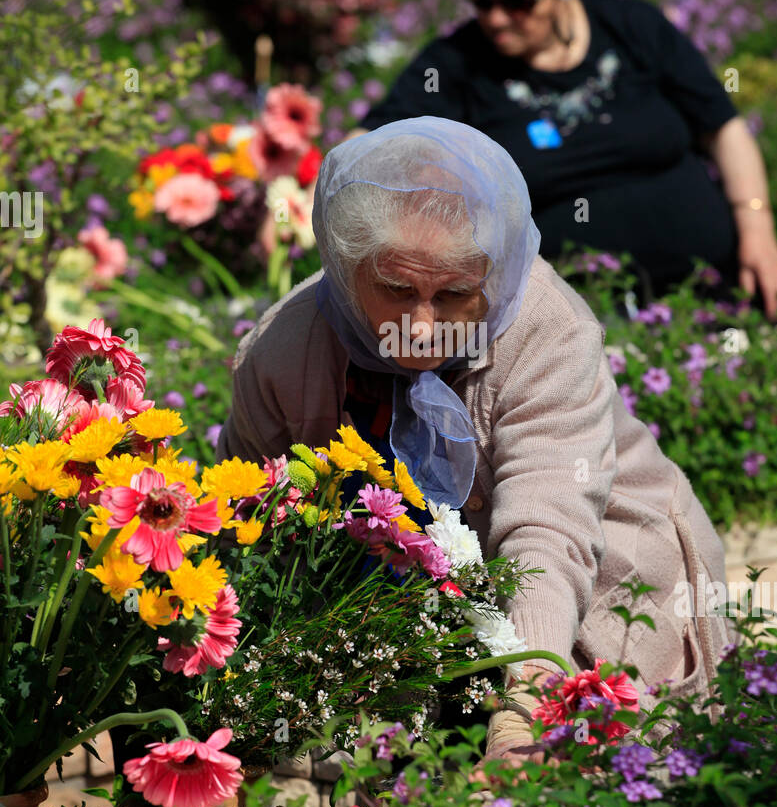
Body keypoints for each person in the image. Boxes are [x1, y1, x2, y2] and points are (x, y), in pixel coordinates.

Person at [217, 116, 735, 766]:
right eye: (398, 289)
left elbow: (547, 530)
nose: (423, 326)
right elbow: (244, 525)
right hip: (415, 621)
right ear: (348, 270)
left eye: (455, 294)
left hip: (599, 585)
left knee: (599, 789)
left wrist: (524, 711)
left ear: (492, 275)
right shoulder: (281, 350)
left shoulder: (550, 329)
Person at [356, 0, 777, 313]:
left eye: (517, 2)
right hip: (574, 319)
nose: (494, 18)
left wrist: (757, 228)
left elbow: (724, 129)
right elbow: (367, 147)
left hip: (710, 288)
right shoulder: (457, 63)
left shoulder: (634, 28)